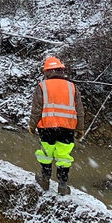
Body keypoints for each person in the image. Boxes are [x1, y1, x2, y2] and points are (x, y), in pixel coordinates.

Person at [28, 56, 85, 195]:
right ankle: (63, 186)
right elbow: (79, 110)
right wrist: (80, 128)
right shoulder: (72, 87)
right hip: (67, 128)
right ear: (60, 71)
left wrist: (32, 125)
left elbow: (37, 108)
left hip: (47, 127)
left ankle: (45, 179)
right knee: (63, 156)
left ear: (47, 72)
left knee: (46, 153)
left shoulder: (42, 86)